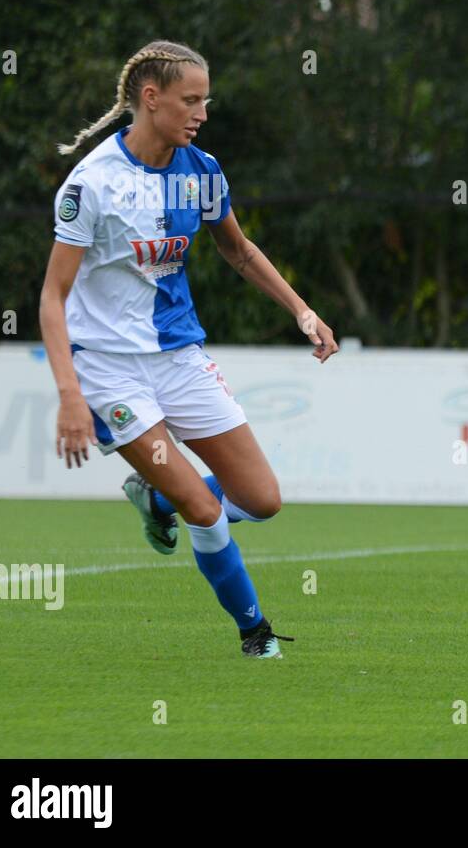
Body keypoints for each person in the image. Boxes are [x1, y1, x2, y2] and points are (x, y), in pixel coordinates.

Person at [40, 39, 340, 659]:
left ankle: (155, 495)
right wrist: (70, 394)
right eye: (191, 100)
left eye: (206, 99)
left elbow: (238, 250)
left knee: (261, 500)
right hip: (109, 373)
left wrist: (302, 310)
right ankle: (254, 632)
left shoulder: (200, 171)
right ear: (150, 99)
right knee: (203, 508)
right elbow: (52, 296)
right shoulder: (91, 183)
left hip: (179, 358)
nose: (202, 112)